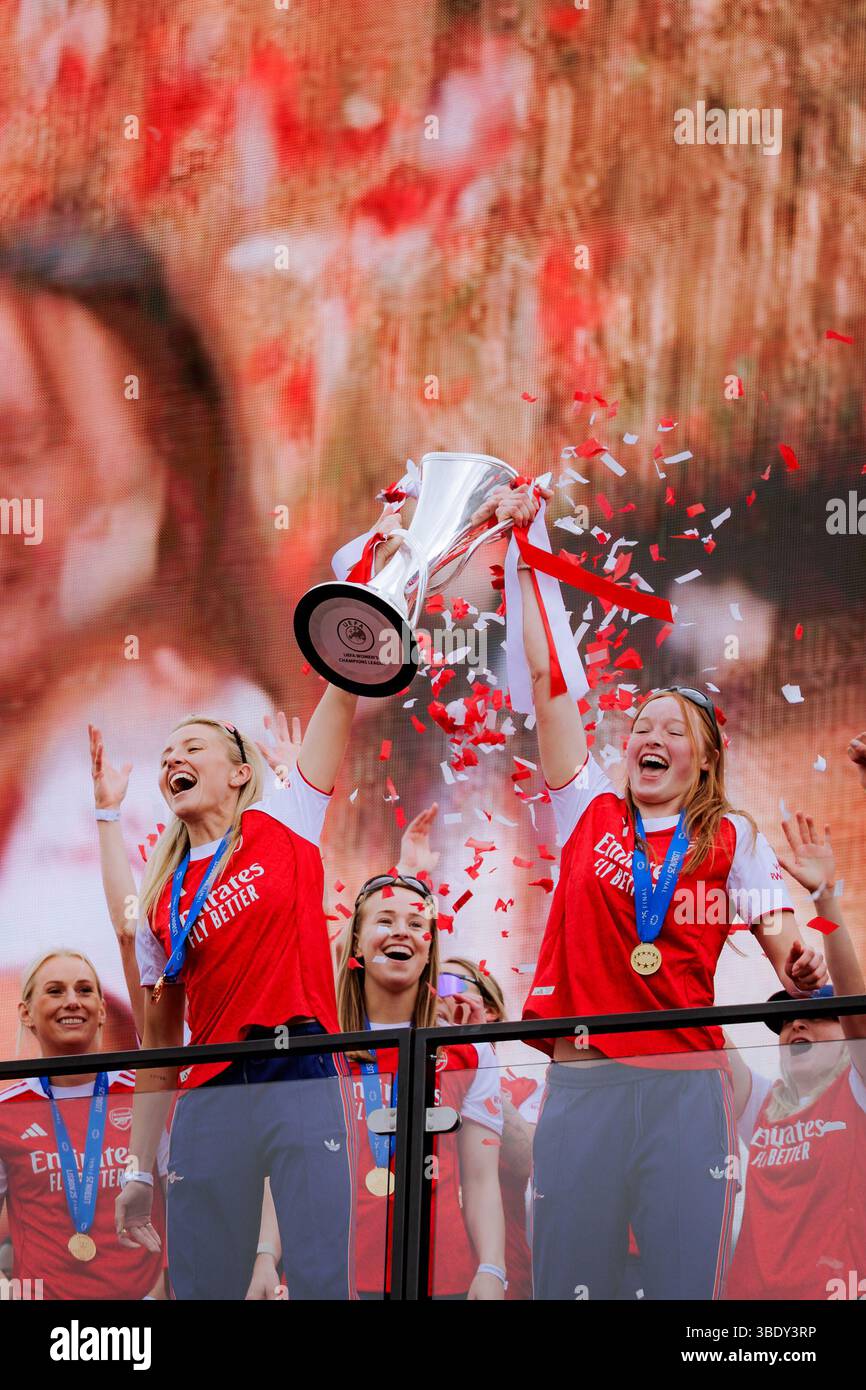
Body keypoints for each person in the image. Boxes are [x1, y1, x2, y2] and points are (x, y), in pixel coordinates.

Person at [478, 481, 829, 1300]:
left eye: (676, 730)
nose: (653, 737)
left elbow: (785, 941)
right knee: (569, 1280)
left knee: (680, 1288)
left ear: (704, 760)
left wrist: (803, 963)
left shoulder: (729, 836)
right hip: (587, 1077)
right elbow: (546, 675)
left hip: (684, 1092)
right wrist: (531, 563)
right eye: (643, 726)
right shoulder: (587, 810)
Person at [111, 691, 367, 1300]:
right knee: (202, 1281)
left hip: (298, 1062)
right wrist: (138, 1168)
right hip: (209, 1090)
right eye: (167, 753)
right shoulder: (160, 902)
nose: (174, 757)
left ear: (240, 772)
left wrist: (353, 627)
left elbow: (338, 704)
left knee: (320, 1269)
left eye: (193, 747)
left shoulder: (286, 820)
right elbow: (160, 1050)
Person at [331, 854, 506, 1300]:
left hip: (441, 1280)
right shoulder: (321, 1052)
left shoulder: (467, 1053)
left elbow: (482, 1180)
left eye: (415, 923)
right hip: (335, 1276)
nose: (401, 932)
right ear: (355, 945)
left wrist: (492, 1269)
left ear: (429, 949)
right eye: (385, 920)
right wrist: (268, 1257)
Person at [724, 812, 866, 1300]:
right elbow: (706, 1037)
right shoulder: (762, 1106)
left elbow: (858, 1010)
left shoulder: (858, 1091)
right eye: (784, 1023)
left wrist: (824, 900)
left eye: (813, 1017)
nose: (794, 1025)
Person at [0, 950, 166, 1300]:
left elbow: (185, 1198)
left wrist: (164, 1286)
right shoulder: (6, 1111)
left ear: (103, 1010)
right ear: (26, 1013)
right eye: (56, 991)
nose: (72, 1001)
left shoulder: (145, 1096)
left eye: (85, 990)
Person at [438, 956, 535, 1302]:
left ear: (489, 1008)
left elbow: (529, 1161)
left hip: (500, 1275)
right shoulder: (407, 1071)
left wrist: (475, 1047)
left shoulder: (528, 1081)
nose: (436, 992)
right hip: (428, 1264)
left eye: (449, 983)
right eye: (429, 983)